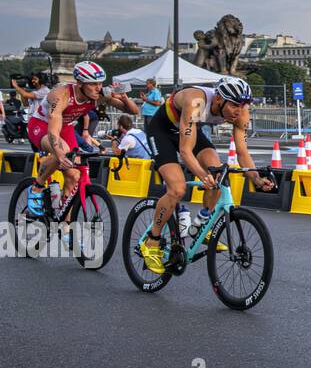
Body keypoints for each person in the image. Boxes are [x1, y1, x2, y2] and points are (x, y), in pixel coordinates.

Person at [138, 76, 274, 275]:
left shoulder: (241, 113)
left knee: (219, 173)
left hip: (191, 131)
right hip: (162, 131)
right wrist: (202, 175)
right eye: (235, 105)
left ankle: (201, 224)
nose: (239, 110)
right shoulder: (196, 101)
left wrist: (256, 178)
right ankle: (152, 241)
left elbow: (242, 153)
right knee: (177, 188)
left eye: (243, 105)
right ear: (219, 99)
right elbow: (185, 151)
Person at [26, 62, 139, 218]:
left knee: (74, 176)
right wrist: (59, 154)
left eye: (100, 83)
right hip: (42, 126)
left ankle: (64, 225)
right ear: (79, 83)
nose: (98, 88)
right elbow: (53, 128)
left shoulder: (99, 96)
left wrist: (124, 98)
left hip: (65, 128)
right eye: (92, 84)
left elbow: (134, 111)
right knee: (63, 152)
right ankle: (36, 187)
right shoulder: (61, 95)